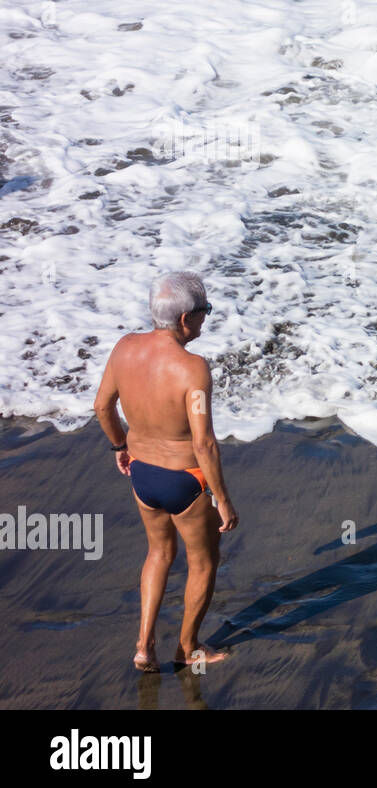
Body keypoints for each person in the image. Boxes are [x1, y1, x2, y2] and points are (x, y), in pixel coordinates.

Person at [94, 271, 238, 671]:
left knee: (158, 552)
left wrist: (121, 446)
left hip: (142, 475)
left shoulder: (125, 348)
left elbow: (102, 406)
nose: (206, 319)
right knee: (203, 563)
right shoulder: (192, 368)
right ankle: (188, 647)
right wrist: (223, 501)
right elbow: (204, 443)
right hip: (185, 482)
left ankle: (144, 647)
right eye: (205, 311)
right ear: (184, 319)